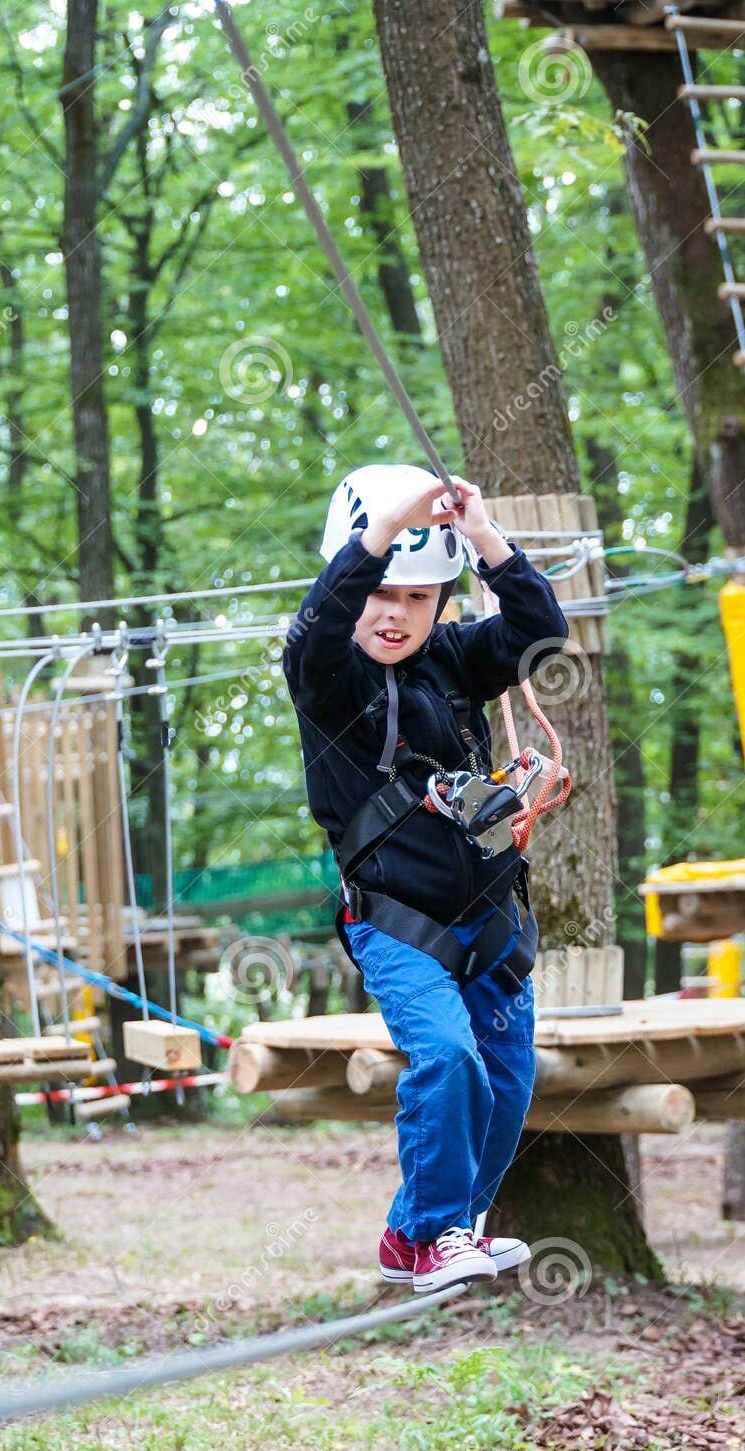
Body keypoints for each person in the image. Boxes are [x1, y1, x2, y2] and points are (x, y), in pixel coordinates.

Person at [283, 463, 569, 1292]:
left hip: (489, 915)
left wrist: (482, 536)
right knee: (448, 1058)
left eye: (416, 597)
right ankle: (437, 1229)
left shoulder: (454, 659)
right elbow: (316, 624)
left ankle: (441, 1228)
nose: (394, 613)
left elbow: (538, 629)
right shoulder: (327, 680)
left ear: (441, 601)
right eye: (382, 593)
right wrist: (378, 535)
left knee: (508, 1076)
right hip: (398, 920)